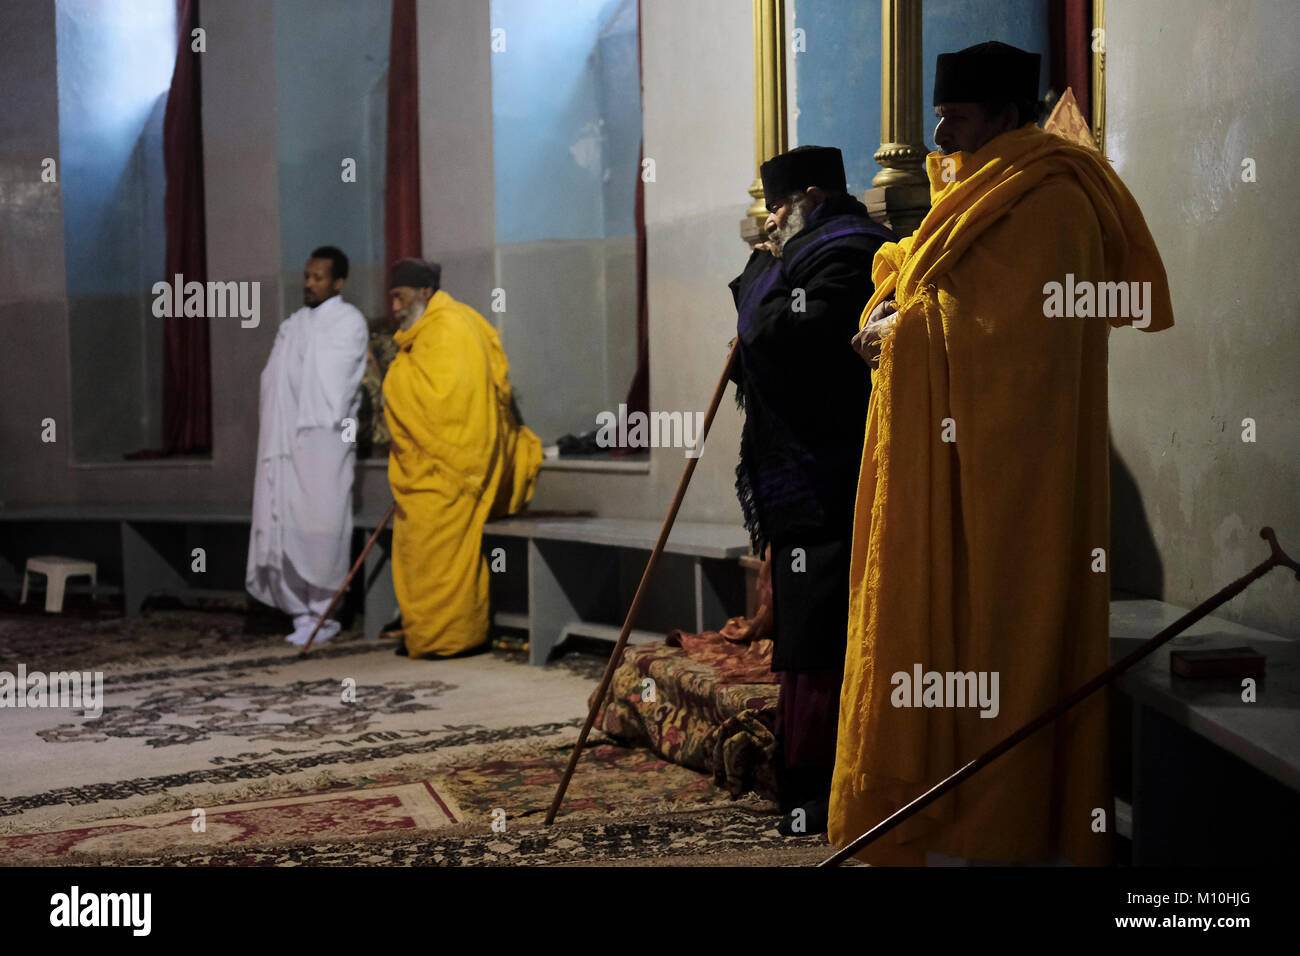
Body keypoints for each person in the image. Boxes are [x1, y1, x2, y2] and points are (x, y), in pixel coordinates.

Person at [831, 41, 1174, 865]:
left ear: (1006, 117)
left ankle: (1006, 832)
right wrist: (898, 310)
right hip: (954, 472)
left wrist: (895, 336)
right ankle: (936, 820)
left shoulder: (1052, 203)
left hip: (1015, 488)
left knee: (1002, 647)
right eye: (940, 117)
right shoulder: (986, 190)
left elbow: (1009, 343)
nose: (942, 135)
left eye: (957, 118)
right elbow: (940, 291)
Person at [728, 146, 894, 835]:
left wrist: (765, 266)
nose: (769, 220)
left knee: (823, 633)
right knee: (803, 631)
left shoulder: (850, 249)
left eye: (777, 206)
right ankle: (802, 776)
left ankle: (825, 784)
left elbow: (783, 332)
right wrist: (766, 267)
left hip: (831, 469)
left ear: (811, 197)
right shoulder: (802, 248)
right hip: (796, 473)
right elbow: (756, 328)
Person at [383, 258, 544, 659]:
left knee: (438, 544)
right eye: (392, 298)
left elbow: (451, 407)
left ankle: (451, 639)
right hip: (430, 467)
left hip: (458, 468)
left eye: (400, 297)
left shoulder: (452, 327)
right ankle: (428, 633)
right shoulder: (435, 327)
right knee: (416, 545)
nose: (396, 307)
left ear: (423, 292)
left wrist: (395, 377)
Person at [247, 245, 369, 646]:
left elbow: (340, 380)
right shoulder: (294, 324)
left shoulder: (349, 321)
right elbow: (275, 378)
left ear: (338, 282)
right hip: (287, 440)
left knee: (323, 523)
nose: (309, 284)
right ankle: (299, 611)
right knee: (286, 523)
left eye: (318, 277)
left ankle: (325, 613)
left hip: (328, 440)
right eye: (307, 276)